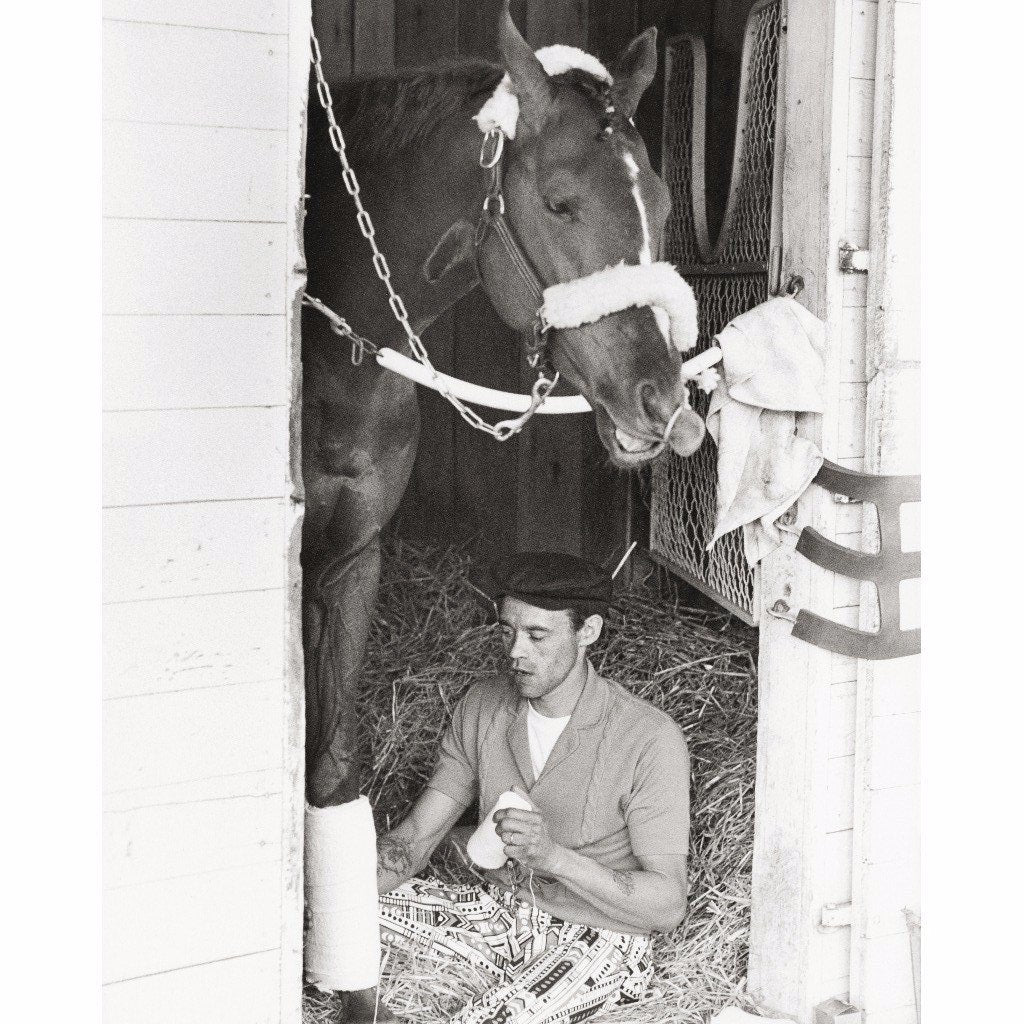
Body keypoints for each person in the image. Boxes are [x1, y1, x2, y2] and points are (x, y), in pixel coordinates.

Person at [354, 551, 691, 1024]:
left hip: (600, 936)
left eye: (537, 635)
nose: (515, 651)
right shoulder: (485, 704)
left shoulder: (649, 738)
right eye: (507, 631)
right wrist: (337, 904)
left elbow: (669, 903)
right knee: (334, 921)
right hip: (500, 909)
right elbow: (415, 839)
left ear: (588, 632)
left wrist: (552, 856)